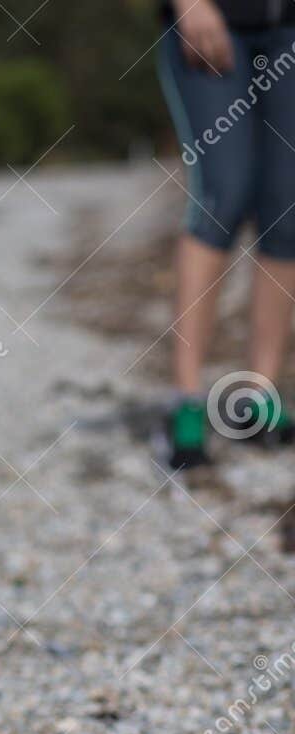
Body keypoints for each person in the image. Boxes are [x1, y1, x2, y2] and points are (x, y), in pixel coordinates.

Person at [159, 0, 295, 468]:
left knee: (287, 209)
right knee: (221, 196)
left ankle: (260, 396)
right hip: (213, 21)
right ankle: (187, 401)